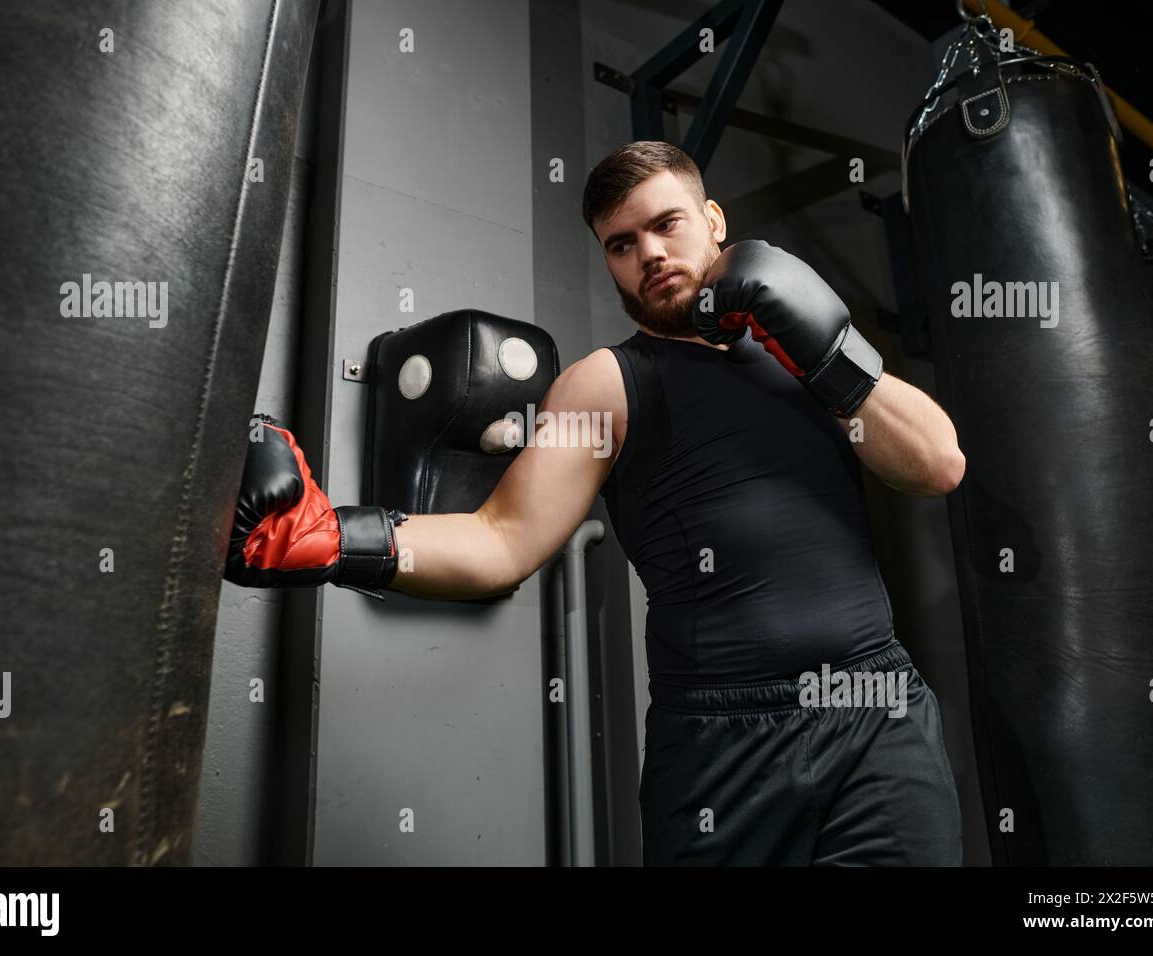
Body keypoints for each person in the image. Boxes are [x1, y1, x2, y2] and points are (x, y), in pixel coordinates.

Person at [225, 140, 965, 866]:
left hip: (879, 708)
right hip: (724, 746)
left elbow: (937, 464)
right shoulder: (604, 385)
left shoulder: (802, 350)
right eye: (621, 243)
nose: (648, 254)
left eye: (666, 224)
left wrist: (829, 355)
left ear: (713, 220)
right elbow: (502, 540)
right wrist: (329, 538)